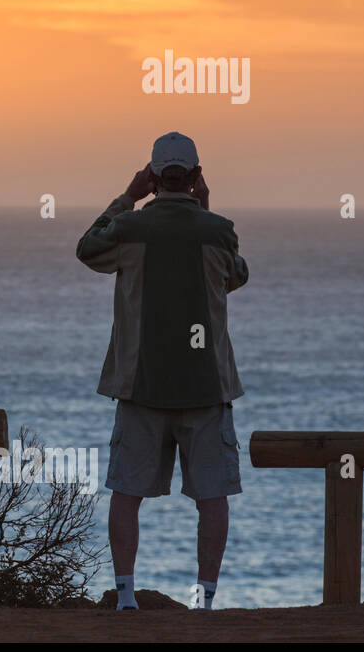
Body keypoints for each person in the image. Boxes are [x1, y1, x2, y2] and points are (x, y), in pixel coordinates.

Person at [76, 132, 249, 610]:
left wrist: (126, 199)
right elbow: (235, 274)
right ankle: (205, 600)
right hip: (206, 388)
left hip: (142, 386)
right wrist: (208, 207)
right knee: (212, 497)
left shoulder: (131, 230)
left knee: (126, 492)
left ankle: (126, 596)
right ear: (195, 177)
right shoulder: (218, 230)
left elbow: (87, 249)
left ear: (153, 177)